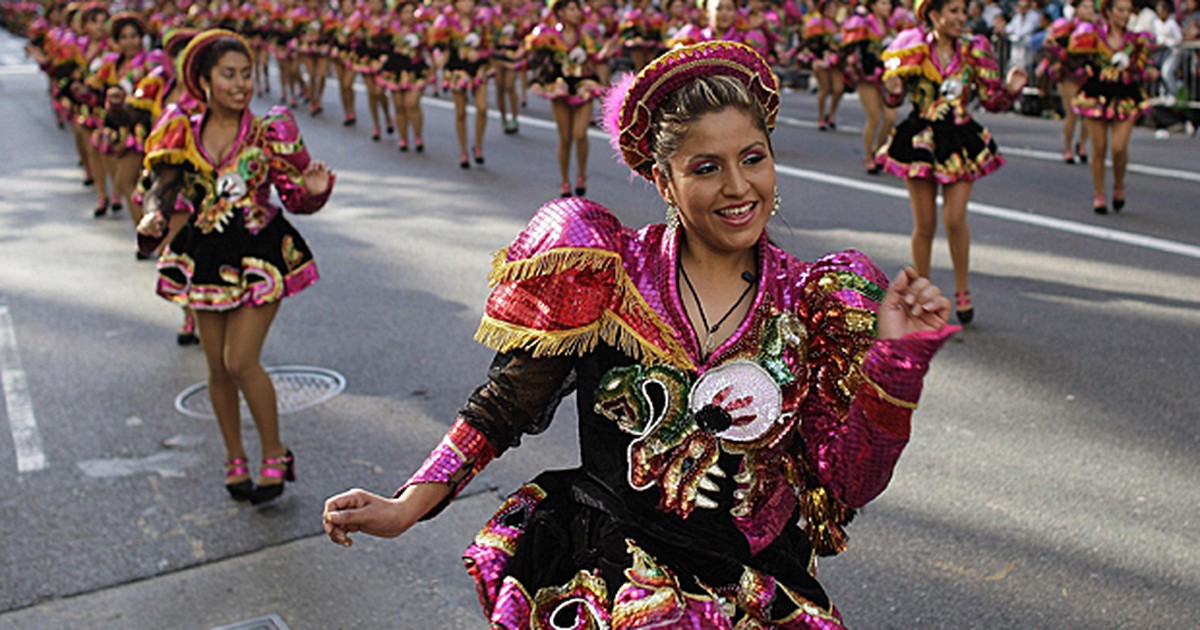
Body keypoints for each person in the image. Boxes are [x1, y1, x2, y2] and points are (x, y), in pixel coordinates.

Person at [323, 41, 957, 628]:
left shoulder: (814, 301)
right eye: (706, 167)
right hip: (613, 576)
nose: (738, 187)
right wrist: (408, 504)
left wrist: (896, 367)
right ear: (664, 182)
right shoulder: (604, 272)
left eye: (753, 159)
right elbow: (505, 407)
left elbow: (845, 483)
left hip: (747, 585)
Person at [136, 30, 334, 504]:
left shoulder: (272, 130)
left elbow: (296, 197)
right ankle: (234, 457)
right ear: (204, 81)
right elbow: (161, 184)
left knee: (240, 360)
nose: (241, 84)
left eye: (246, 74)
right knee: (217, 369)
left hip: (258, 252)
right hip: (203, 252)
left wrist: (315, 187)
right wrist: (153, 213)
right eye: (229, 75)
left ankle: (274, 451)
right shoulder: (179, 128)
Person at [877, 0, 1027, 325]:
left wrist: (1012, 91)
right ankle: (922, 294)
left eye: (964, 11)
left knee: (956, 219)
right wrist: (890, 90)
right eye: (954, 11)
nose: (961, 18)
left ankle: (962, 291)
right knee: (925, 224)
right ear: (934, 14)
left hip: (960, 138)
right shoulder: (911, 46)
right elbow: (895, 95)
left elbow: (991, 99)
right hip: (920, 139)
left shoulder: (974, 50)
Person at [1068, 0, 1157, 213]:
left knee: (1118, 147)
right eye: (1120, 10)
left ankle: (1118, 183)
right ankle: (1099, 193)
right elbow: (1072, 56)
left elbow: (1144, 68)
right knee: (1098, 148)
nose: (1124, 15)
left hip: (1125, 95)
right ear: (1109, 11)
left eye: (1127, 11)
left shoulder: (1135, 41)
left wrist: (1147, 71)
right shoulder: (1094, 37)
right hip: (1097, 93)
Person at [526, 0, 606, 198]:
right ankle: (564, 180)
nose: (577, 12)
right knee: (565, 138)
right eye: (571, 9)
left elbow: (596, 59)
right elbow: (536, 57)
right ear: (560, 12)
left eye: (578, 8)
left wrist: (587, 57)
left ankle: (581, 175)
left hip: (582, 85)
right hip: (559, 86)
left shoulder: (586, 35)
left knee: (580, 134)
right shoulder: (549, 34)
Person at [431, 0, 493, 168]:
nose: (468, 4)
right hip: (457, 68)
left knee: (482, 108)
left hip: (477, 68)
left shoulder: (480, 21)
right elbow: (437, 45)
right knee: (460, 112)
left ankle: (478, 145)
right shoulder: (446, 21)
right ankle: (463, 149)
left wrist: (479, 54)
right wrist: (440, 56)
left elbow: (489, 47)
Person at [843, 0, 901, 173]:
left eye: (889, 3)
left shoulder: (892, 25)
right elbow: (852, 47)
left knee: (891, 117)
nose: (887, 7)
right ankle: (869, 157)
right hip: (866, 77)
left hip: (886, 76)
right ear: (873, 5)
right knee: (874, 118)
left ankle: (879, 151)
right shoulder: (863, 23)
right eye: (883, 3)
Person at [1038, 0, 1097, 163]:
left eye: (1091, 8)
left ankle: (1082, 144)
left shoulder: (1097, 30)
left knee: (1088, 113)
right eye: (1085, 7)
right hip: (1069, 73)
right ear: (1076, 9)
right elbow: (1052, 46)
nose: (1089, 11)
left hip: (1087, 74)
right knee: (1071, 113)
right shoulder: (1066, 27)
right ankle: (1068, 147)